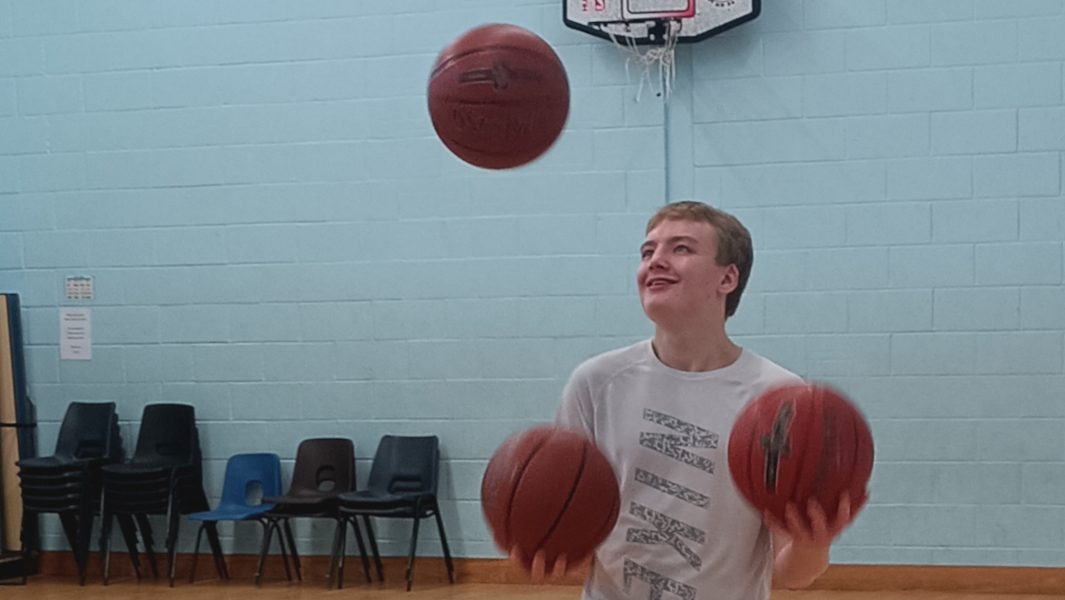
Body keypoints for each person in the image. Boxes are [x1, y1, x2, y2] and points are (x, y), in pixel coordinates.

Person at [532, 201, 860, 600]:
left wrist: (813, 545)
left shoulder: (781, 401)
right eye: (647, 251)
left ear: (727, 278)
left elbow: (791, 571)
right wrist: (550, 544)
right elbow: (577, 539)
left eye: (681, 249)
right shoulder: (595, 383)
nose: (655, 261)